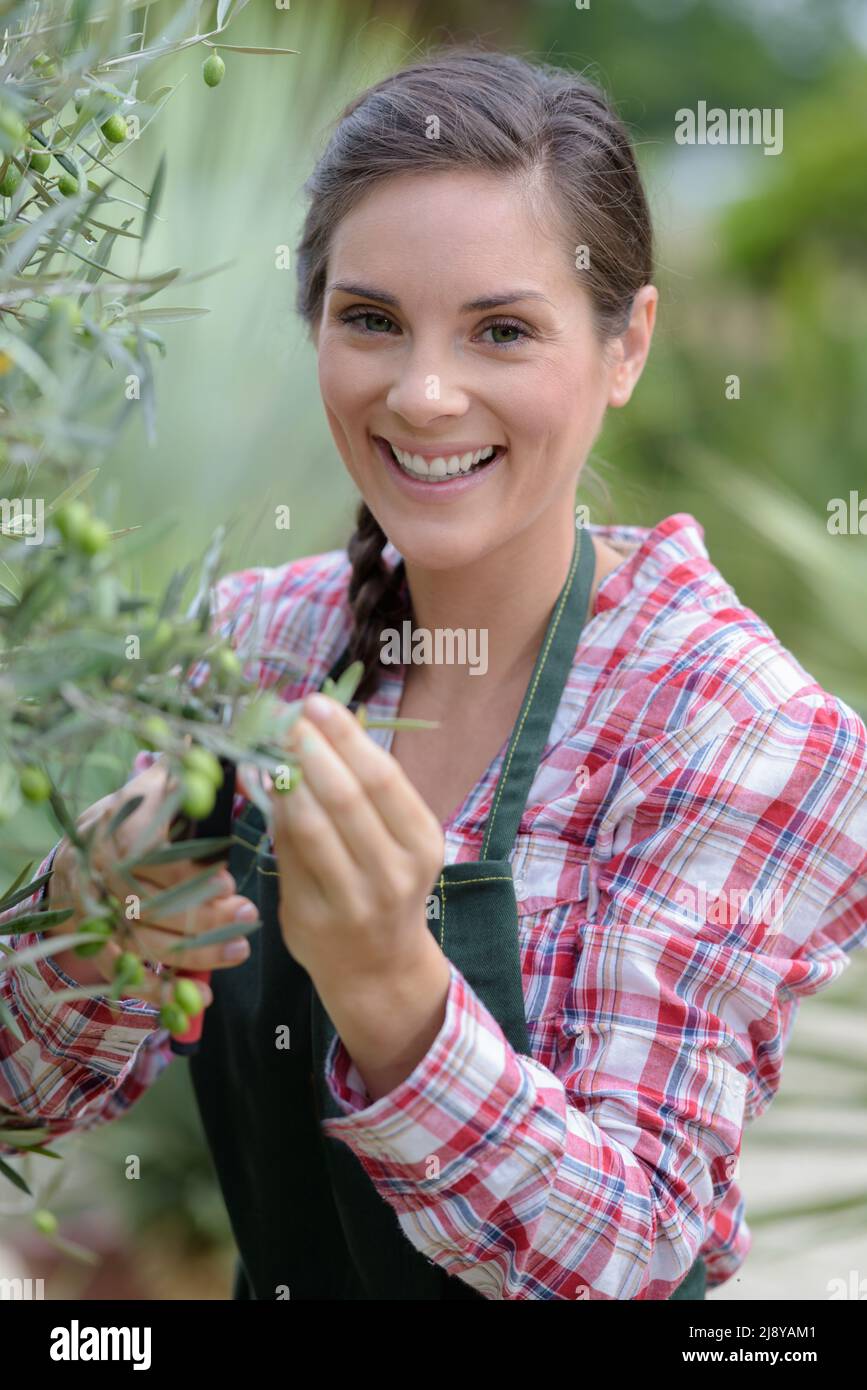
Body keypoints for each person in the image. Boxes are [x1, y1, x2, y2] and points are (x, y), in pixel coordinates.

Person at [1, 46, 865, 1302]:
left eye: (502, 329)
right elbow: (21, 1089)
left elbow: (625, 1255)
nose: (423, 393)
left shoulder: (737, 727)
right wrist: (90, 919)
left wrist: (389, 985)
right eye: (371, 320)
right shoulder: (254, 647)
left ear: (626, 347)